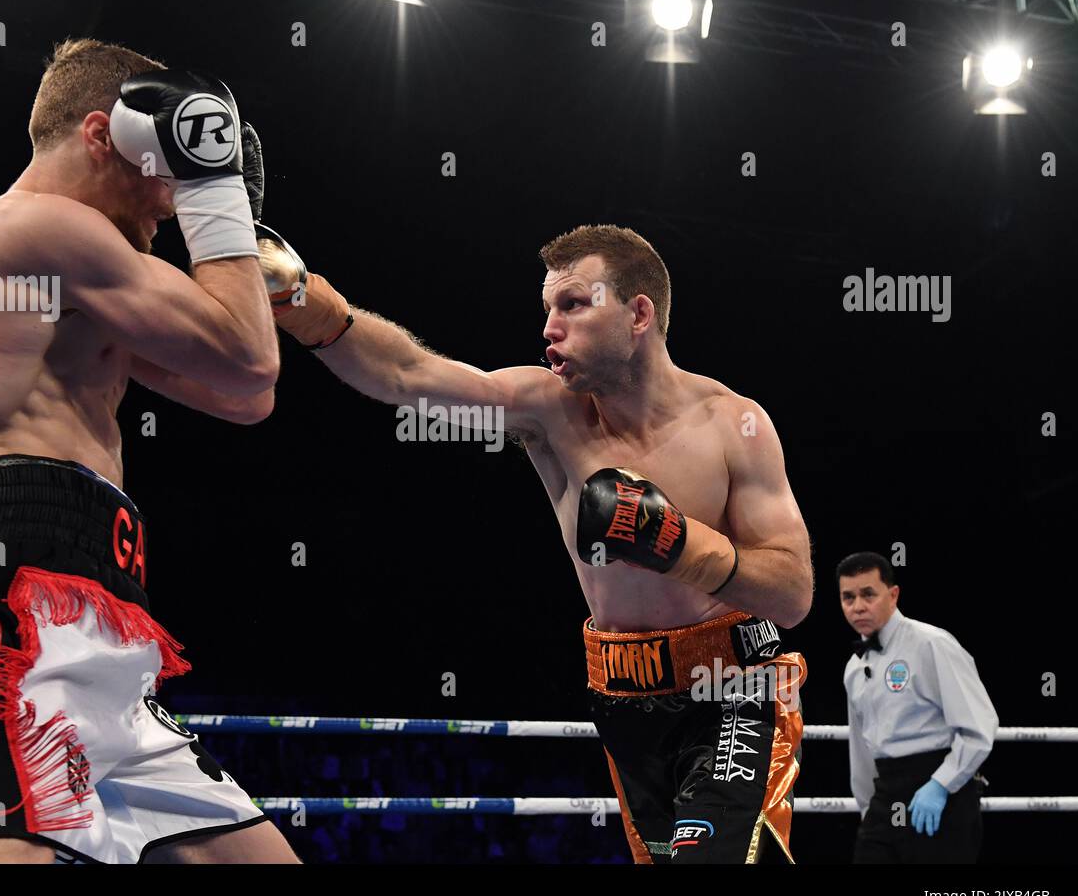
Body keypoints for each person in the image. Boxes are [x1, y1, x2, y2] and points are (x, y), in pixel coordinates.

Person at [263, 224, 814, 863]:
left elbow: (794, 591)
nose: (550, 327)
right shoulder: (548, 411)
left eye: (573, 305)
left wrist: (682, 546)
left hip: (732, 688)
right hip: (623, 698)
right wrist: (307, 303)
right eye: (547, 309)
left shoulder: (734, 424)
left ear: (638, 313)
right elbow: (408, 375)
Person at [0, 38, 298, 864]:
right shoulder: (31, 230)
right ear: (106, 134)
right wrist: (217, 190)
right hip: (10, 609)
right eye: (166, 168)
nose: (171, 202)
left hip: (102, 624)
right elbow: (252, 353)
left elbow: (248, 397)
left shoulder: (86, 278)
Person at [837, 552, 997, 863]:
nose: (858, 606)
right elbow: (861, 749)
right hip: (884, 796)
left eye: (868, 594)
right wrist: (868, 808)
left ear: (893, 594)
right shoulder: (854, 667)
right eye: (848, 597)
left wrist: (941, 784)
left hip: (941, 785)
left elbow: (979, 725)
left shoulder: (932, 644)